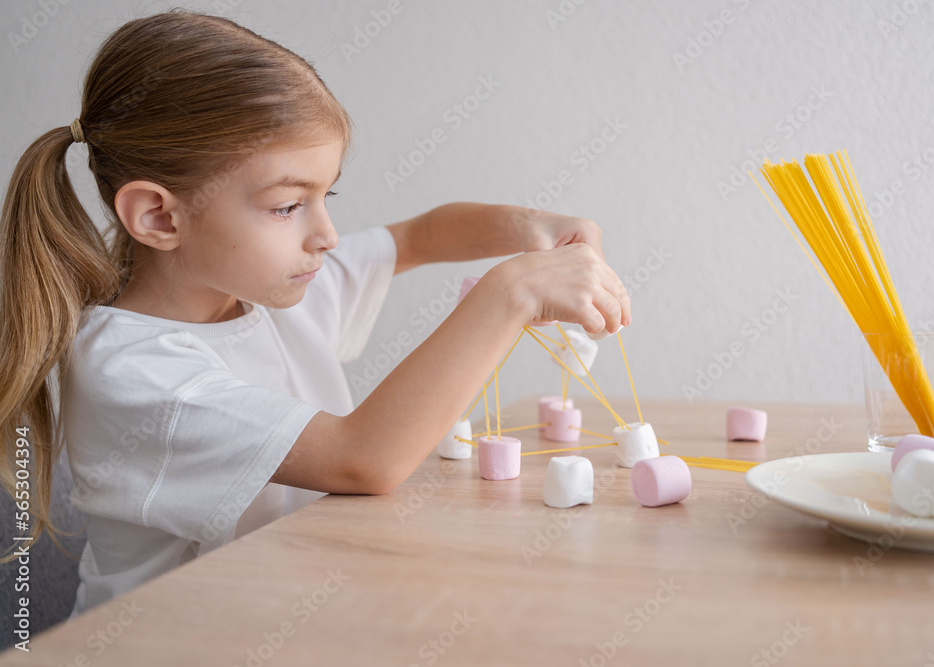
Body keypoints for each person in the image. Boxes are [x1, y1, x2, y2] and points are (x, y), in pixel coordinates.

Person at [0, 10, 630, 614]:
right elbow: (364, 458)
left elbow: (419, 237)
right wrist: (511, 292)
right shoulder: (133, 371)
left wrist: (534, 227)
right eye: (287, 205)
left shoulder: (269, 291)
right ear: (160, 217)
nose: (326, 233)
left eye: (326, 195)